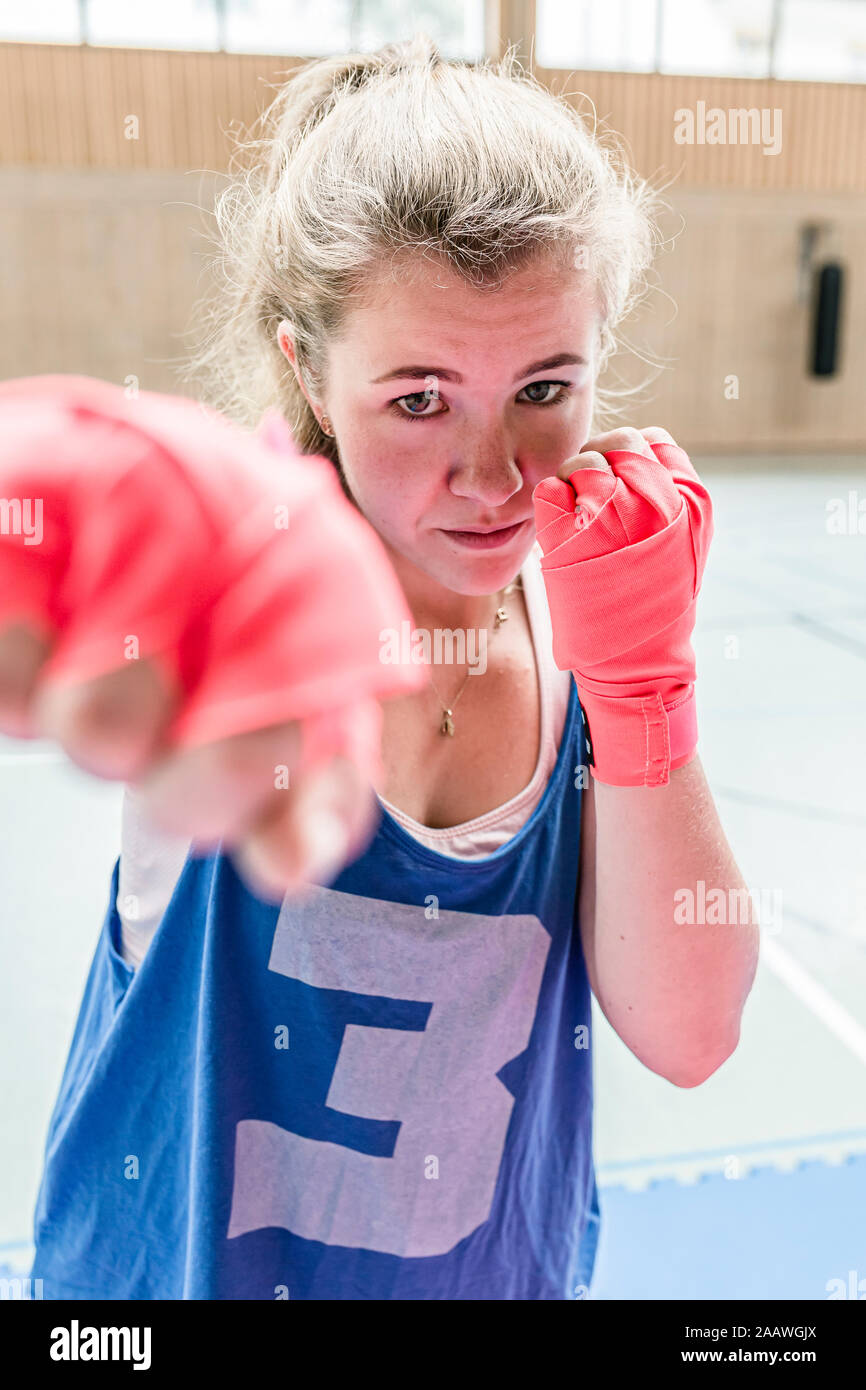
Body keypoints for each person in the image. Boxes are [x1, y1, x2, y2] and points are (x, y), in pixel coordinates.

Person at [14, 35, 758, 1300]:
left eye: (543, 386)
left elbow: (689, 1037)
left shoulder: (595, 634)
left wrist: (645, 688)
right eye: (419, 398)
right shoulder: (223, 587)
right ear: (306, 368)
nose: (496, 473)